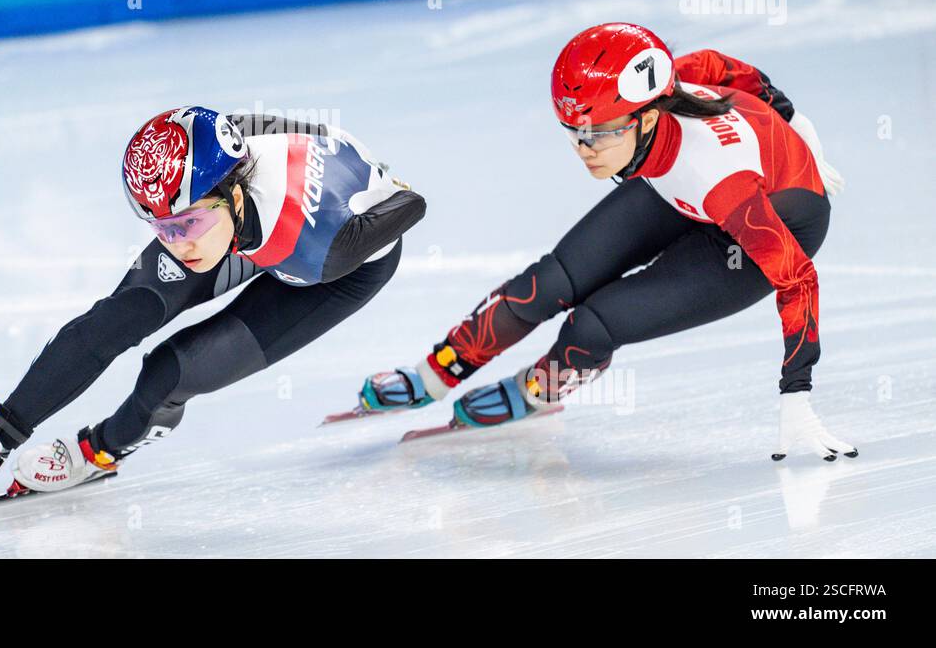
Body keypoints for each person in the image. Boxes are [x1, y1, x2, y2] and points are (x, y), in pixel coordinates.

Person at [355, 23, 856, 462]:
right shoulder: (661, 92)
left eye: (596, 136)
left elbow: (798, 280)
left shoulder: (720, 180)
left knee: (594, 324)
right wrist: (788, 114)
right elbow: (718, 65)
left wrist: (797, 394)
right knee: (549, 281)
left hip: (766, 223)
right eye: (573, 133)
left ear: (646, 118)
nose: (583, 150)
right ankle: (435, 373)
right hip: (672, 181)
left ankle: (539, 391)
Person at [0, 106, 425, 502]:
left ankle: (99, 451)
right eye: (163, 229)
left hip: (333, 268)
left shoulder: (325, 244)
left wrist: (382, 186)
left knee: (171, 373)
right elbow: (220, 137)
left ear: (235, 196)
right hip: (251, 230)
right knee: (117, 318)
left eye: (188, 225)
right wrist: (190, 224)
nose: (179, 244)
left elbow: (414, 203)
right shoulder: (205, 185)